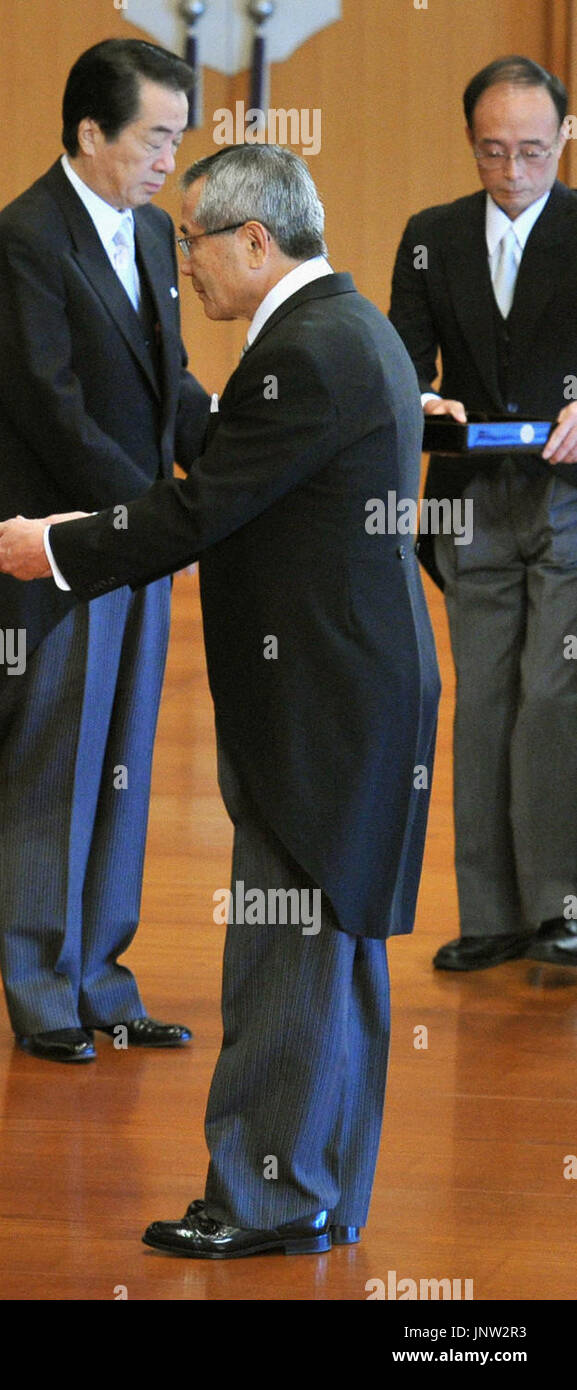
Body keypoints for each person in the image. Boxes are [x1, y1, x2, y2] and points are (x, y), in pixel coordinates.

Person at [0, 144, 440, 1257]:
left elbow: (197, 513)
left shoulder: (313, 352)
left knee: (289, 952)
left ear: (253, 240)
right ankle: (316, 1191)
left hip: (324, 707)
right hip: (349, 693)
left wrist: (56, 547)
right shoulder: (340, 328)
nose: (181, 264)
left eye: (192, 241)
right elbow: (231, 460)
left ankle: (266, 1201)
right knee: (328, 950)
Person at [0, 38, 212, 1064]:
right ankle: (43, 992)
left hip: (130, 549)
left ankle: (104, 978)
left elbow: (176, 395)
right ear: (90, 133)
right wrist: (155, 517)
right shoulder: (23, 242)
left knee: (119, 765)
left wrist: (241, 457)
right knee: (51, 768)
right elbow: (53, 415)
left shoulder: (153, 234)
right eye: (155, 138)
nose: (168, 160)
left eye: (177, 138)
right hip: (53, 557)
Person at [389, 55, 577, 973]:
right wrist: (423, 404)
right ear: (468, 143)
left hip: (569, 493)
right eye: (492, 152)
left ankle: (561, 909)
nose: (512, 173)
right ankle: (493, 914)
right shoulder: (430, 237)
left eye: (532, 152)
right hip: (469, 499)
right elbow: (399, 361)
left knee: (553, 693)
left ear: (564, 140)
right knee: (486, 700)